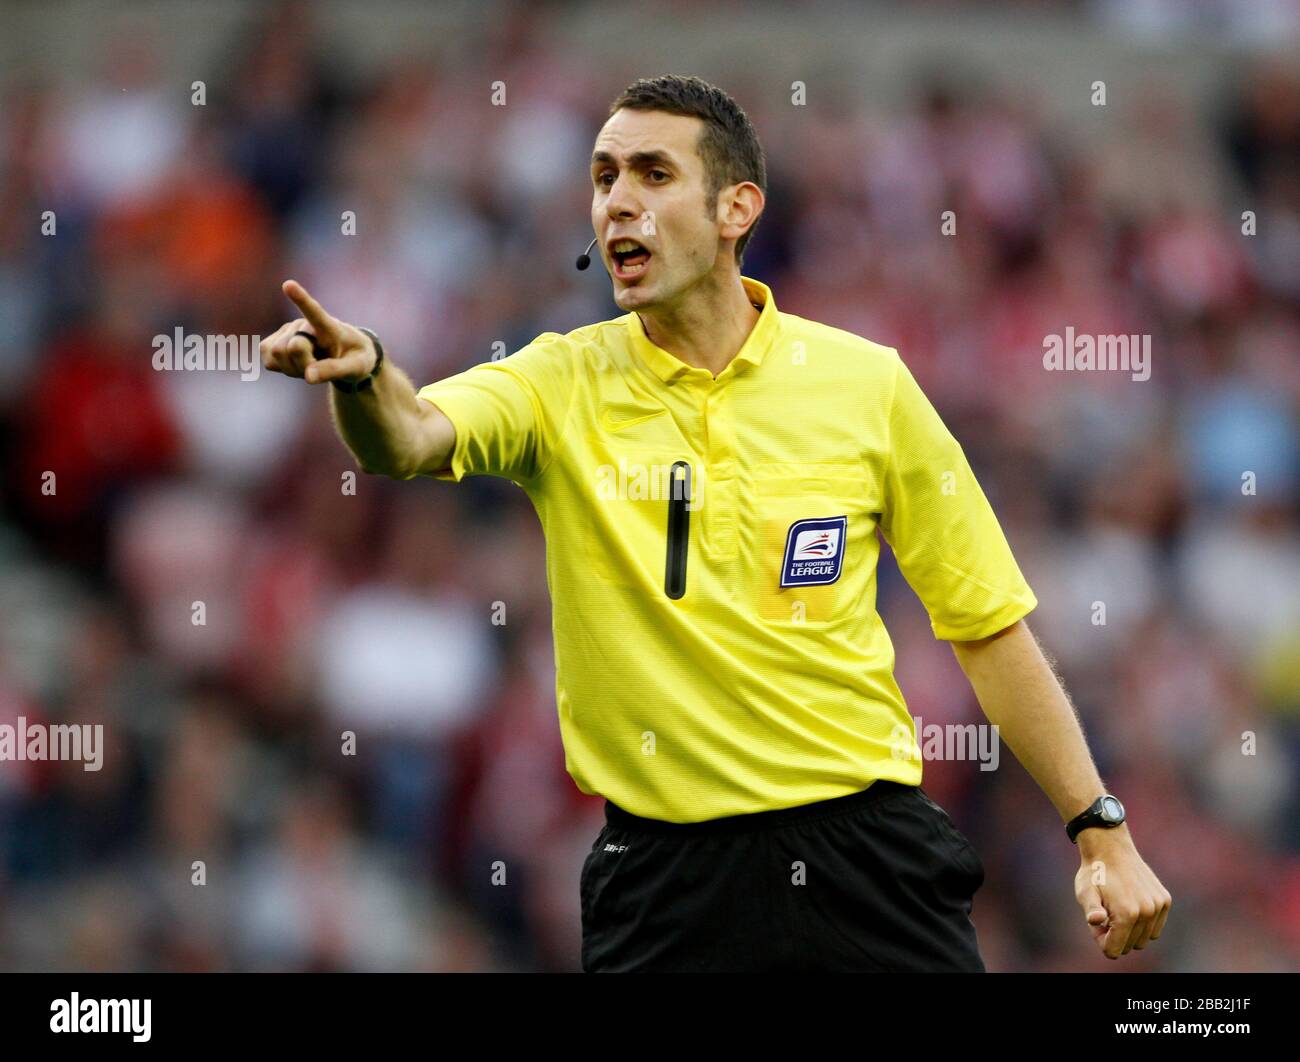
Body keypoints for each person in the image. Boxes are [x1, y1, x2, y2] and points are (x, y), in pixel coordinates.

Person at [259, 74, 1171, 972]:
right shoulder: (557, 381)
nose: (618, 201)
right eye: (604, 176)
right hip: (666, 883)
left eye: (653, 174)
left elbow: (987, 627)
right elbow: (411, 439)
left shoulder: (866, 385)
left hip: (865, 856)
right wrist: (369, 374)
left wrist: (1099, 829)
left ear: (738, 209)